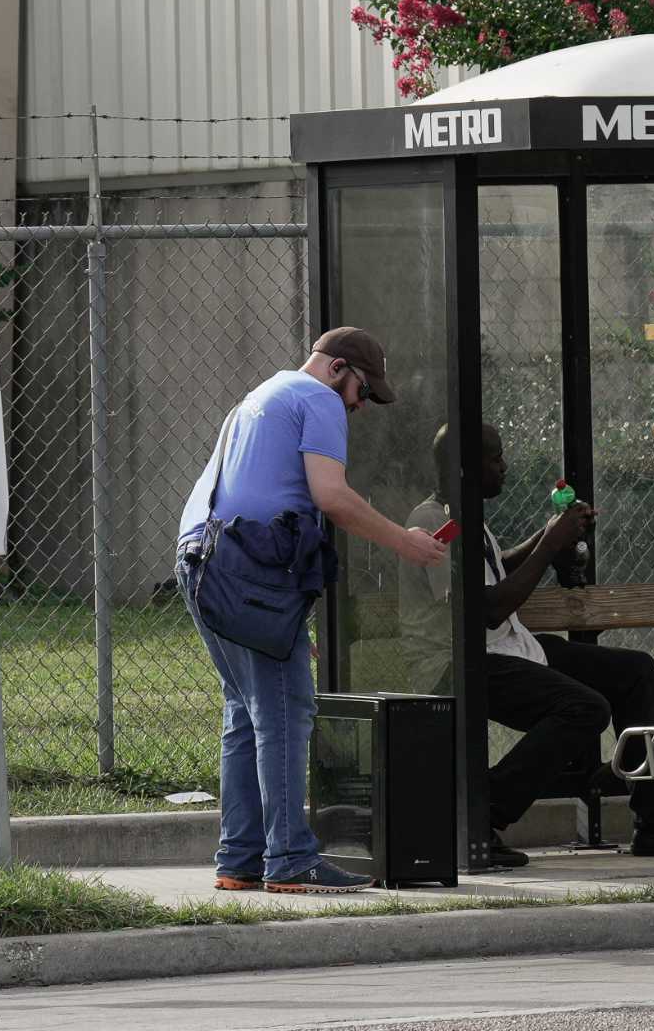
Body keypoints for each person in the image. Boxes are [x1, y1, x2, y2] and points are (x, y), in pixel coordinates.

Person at [176, 326, 446, 894]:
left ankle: (241, 857)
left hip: (203, 558)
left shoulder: (260, 396)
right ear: (337, 368)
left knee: (246, 712)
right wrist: (407, 541)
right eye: (363, 392)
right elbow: (332, 497)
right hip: (246, 568)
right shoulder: (317, 398)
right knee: (283, 711)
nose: (360, 407)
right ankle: (292, 859)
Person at [401, 422, 654, 868]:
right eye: (495, 457)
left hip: (507, 649)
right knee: (585, 708)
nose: (504, 466)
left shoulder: (461, 512)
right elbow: (487, 608)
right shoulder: (434, 521)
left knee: (635, 671)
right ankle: (481, 814)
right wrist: (552, 543)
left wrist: (548, 535)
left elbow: (494, 569)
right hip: (458, 662)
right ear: (466, 465)